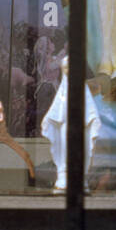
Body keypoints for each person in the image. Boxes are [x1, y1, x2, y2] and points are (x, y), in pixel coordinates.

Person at [41, 54, 102, 191]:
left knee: (80, 150)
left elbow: (90, 107)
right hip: (65, 126)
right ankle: (63, 176)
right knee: (64, 149)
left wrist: (94, 120)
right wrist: (47, 120)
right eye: (66, 67)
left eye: (71, 67)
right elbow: (56, 109)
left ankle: (79, 177)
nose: (69, 70)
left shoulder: (82, 89)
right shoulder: (62, 89)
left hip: (79, 127)